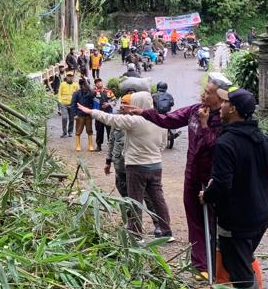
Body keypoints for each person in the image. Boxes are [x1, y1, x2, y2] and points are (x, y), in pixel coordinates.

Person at [123, 73, 231, 272]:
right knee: (194, 219)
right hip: (192, 173)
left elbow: (216, 147)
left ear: (221, 98)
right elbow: (169, 120)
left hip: (212, 179)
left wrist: (206, 124)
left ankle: (218, 266)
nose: (203, 95)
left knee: (213, 221)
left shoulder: (225, 119)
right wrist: (143, 113)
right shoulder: (194, 110)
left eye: (208, 93)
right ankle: (200, 265)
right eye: (204, 91)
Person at [201, 88, 268, 289]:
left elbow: (222, 185)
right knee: (245, 259)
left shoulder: (227, 142)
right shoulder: (263, 139)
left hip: (236, 216)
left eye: (225, 103)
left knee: (239, 265)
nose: (221, 106)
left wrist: (207, 195)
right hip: (260, 212)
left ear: (232, 109)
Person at [79, 91, 172, 239]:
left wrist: (91, 111)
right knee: (158, 199)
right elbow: (163, 144)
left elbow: (110, 119)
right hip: (155, 165)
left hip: (136, 166)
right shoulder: (160, 120)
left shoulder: (135, 121)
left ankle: (136, 235)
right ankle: (166, 231)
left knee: (135, 200)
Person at [71, 78, 96, 152]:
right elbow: (73, 104)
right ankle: (78, 145)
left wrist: (93, 113)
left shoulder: (90, 93)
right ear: (81, 85)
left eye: (87, 84)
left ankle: (90, 145)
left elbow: (94, 100)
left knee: (89, 130)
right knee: (78, 130)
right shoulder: (76, 93)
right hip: (79, 114)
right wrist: (75, 114)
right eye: (84, 84)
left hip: (88, 115)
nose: (86, 86)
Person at [93, 78, 115, 152]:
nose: (99, 83)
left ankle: (111, 146)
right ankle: (98, 146)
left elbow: (114, 101)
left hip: (108, 114)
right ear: (95, 84)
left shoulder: (108, 91)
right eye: (97, 82)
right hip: (98, 115)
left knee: (110, 131)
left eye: (100, 82)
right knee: (99, 131)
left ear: (102, 83)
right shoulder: (94, 92)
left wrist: (108, 104)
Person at [56, 69, 78, 138]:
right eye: (68, 76)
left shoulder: (76, 85)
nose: (70, 77)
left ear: (73, 77)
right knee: (64, 118)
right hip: (64, 103)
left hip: (72, 104)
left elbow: (78, 94)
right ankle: (64, 132)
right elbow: (59, 93)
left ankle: (70, 132)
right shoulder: (62, 84)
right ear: (66, 77)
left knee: (71, 119)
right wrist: (60, 101)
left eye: (71, 76)